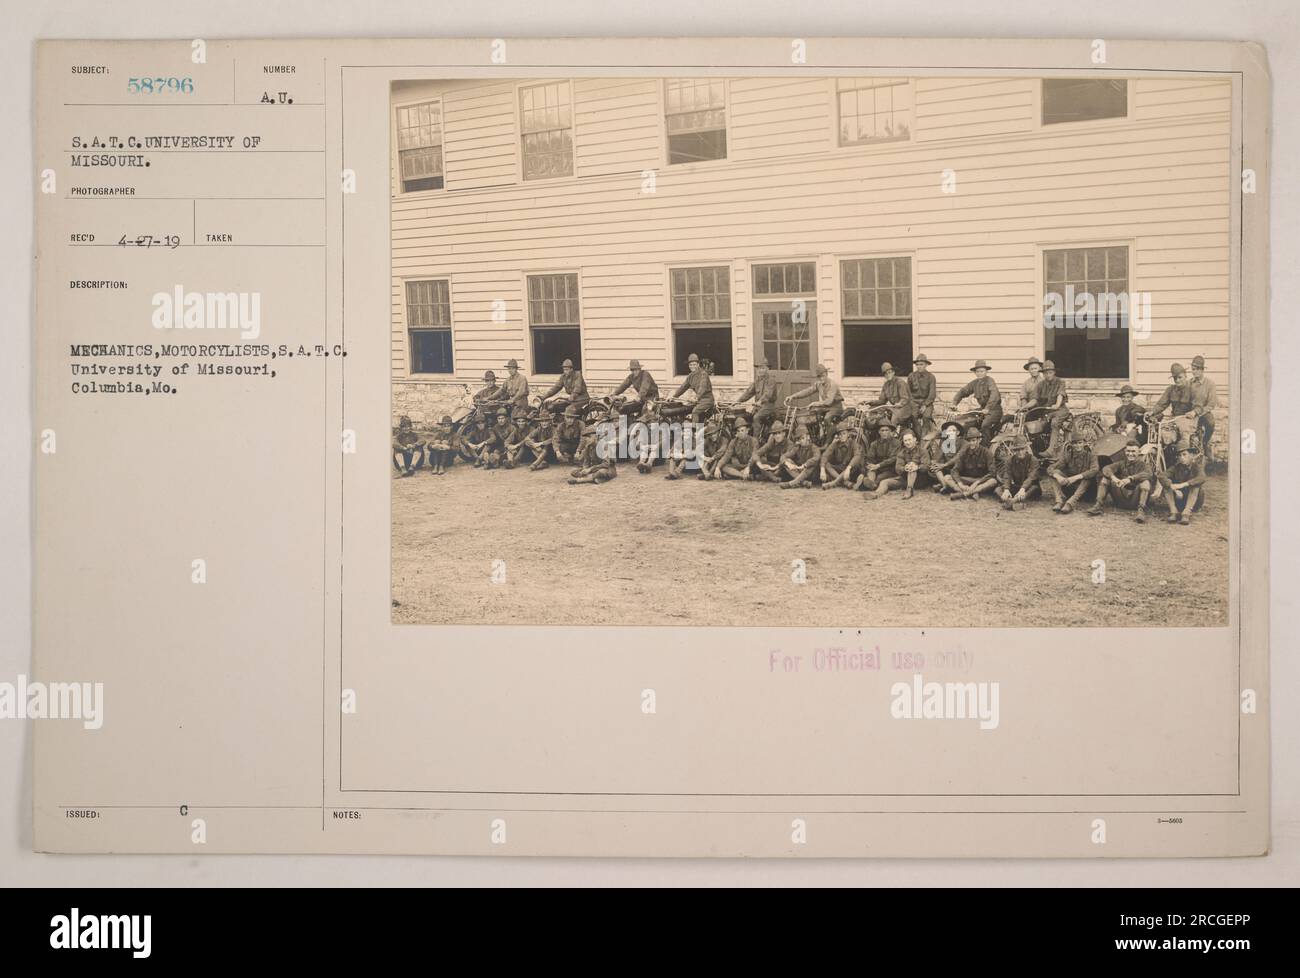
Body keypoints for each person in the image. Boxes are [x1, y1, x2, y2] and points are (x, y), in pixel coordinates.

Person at [1088, 439, 1155, 522]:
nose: (1130, 454)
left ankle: (1141, 511)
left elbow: (1148, 473)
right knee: (1105, 478)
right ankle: (1098, 505)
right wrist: (1114, 478)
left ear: (1139, 452)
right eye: (1128, 451)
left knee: (1146, 483)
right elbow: (1106, 468)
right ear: (1125, 451)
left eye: (1133, 451)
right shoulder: (1121, 463)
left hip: (1135, 500)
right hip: (1120, 499)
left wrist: (1130, 478)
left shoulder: (1144, 465)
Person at [949, 359, 1003, 446]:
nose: (980, 373)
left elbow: (994, 395)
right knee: (964, 419)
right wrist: (954, 403)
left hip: (994, 409)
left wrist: (987, 408)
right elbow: (963, 391)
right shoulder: (974, 383)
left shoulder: (990, 381)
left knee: (985, 425)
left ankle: (986, 448)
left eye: (982, 371)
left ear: (986, 371)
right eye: (977, 371)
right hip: (982, 409)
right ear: (975, 372)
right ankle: (967, 443)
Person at [1147, 363, 1199, 451]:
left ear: (1185, 376)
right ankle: (1166, 456)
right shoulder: (1170, 389)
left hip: (1189, 418)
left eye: (1180, 377)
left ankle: (1183, 458)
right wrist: (1152, 412)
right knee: (1163, 432)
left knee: (1184, 435)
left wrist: (1193, 412)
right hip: (1175, 418)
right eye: (1175, 378)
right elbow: (1161, 404)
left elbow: (1199, 404)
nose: (1177, 380)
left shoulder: (1193, 389)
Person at [1045, 429, 1099, 514]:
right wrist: (1058, 477)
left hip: (1087, 491)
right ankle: (1059, 500)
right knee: (1055, 473)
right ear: (1071, 444)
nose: (1077, 446)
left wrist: (1075, 477)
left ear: (1084, 443)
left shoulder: (1091, 455)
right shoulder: (1068, 455)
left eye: (1080, 443)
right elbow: (1050, 468)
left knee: (1088, 477)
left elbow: (1095, 470)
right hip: (1071, 488)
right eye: (1075, 443)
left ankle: (1070, 503)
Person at [1025, 359, 1070, 457]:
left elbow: (1060, 394)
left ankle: (1051, 451)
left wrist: (1057, 405)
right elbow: (1035, 399)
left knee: (1054, 423)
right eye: (1046, 373)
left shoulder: (1060, 382)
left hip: (1060, 410)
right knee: (1038, 426)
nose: (1048, 375)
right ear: (1043, 374)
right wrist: (1024, 406)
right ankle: (1039, 449)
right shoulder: (1040, 385)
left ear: (1054, 372)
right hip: (1048, 411)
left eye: (1050, 372)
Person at [867, 428, 928, 499]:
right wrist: (905, 468)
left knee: (912, 467)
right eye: (905, 441)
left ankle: (909, 490)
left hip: (919, 480)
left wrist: (917, 467)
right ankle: (876, 494)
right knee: (885, 482)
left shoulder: (923, 451)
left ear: (914, 439)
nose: (908, 443)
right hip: (904, 479)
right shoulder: (901, 453)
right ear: (903, 442)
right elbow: (898, 468)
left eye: (909, 440)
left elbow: (926, 466)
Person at [941, 426, 999, 500]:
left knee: (993, 481)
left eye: (974, 440)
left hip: (980, 481)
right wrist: (960, 484)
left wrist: (977, 483)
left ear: (979, 440)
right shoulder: (964, 452)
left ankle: (965, 493)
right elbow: (955, 470)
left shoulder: (987, 452)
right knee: (947, 477)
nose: (971, 443)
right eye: (969, 441)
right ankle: (971, 492)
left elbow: (992, 473)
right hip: (966, 480)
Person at [786, 363, 845, 433]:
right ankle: (817, 434)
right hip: (825, 407)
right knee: (812, 414)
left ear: (826, 374)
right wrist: (793, 396)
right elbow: (807, 391)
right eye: (819, 377)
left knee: (827, 418)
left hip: (836, 407)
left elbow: (828, 402)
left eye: (823, 376)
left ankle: (829, 440)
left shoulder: (833, 385)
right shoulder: (818, 384)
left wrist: (814, 403)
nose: (821, 378)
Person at [732, 357, 781, 440]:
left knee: (756, 417)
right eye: (758, 368)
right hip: (759, 407)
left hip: (769, 406)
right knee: (748, 416)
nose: (760, 370)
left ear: (767, 369)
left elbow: (768, 394)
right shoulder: (757, 380)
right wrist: (738, 401)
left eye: (762, 368)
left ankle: (755, 440)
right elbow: (749, 392)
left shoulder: (771, 380)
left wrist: (760, 401)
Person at [1159, 445, 1207, 524]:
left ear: (1191, 456)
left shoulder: (1197, 467)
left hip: (1194, 501)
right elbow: (1162, 476)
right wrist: (1173, 487)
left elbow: (1202, 477)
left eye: (1184, 454)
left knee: (1195, 486)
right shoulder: (1176, 467)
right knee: (1166, 485)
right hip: (1179, 499)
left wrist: (1184, 484)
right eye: (1179, 455)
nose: (1181, 457)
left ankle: (1186, 513)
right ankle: (1173, 512)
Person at [668, 352, 716, 423]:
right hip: (698, 401)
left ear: (698, 365)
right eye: (690, 365)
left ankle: (694, 431)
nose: (692, 366)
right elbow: (683, 387)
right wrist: (673, 397)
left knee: (695, 412)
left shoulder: (703, 374)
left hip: (707, 400)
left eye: (694, 364)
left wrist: (696, 397)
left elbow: (702, 387)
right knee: (684, 409)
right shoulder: (690, 376)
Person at [996, 436, 1041, 510]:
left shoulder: (1033, 460)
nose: (1020, 452)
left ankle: (1011, 502)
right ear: (1014, 451)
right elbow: (1007, 475)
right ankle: (1014, 502)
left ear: (1026, 449)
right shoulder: (1009, 460)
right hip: (1016, 486)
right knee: (997, 489)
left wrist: (1023, 489)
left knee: (1034, 488)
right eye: (1017, 450)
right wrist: (1006, 489)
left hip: (1029, 487)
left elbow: (1031, 477)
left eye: (1022, 449)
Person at [864, 362, 913, 428]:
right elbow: (882, 401)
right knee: (872, 410)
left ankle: (892, 435)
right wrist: (871, 402)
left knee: (894, 418)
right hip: (894, 407)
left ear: (893, 372)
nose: (888, 375)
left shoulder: (900, 382)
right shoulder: (886, 385)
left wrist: (899, 403)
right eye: (886, 373)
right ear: (884, 375)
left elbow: (905, 398)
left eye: (889, 372)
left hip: (905, 408)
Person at [1188, 354, 1218, 458]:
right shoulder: (1189, 383)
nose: (1193, 371)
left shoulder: (1210, 384)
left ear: (1202, 370)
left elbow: (1211, 404)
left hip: (1203, 413)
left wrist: (1199, 412)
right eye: (1192, 369)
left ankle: (1205, 442)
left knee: (1211, 423)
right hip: (1191, 413)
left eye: (1196, 369)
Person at [857, 420, 901, 492]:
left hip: (890, 469)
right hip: (876, 468)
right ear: (879, 432)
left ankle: (866, 485)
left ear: (890, 431)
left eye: (886, 430)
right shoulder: (874, 444)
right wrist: (870, 465)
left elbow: (894, 458)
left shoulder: (896, 443)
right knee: (871, 472)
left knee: (879, 477)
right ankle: (869, 483)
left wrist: (879, 465)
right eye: (882, 430)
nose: (884, 433)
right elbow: (870, 457)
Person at [820, 422, 862, 489]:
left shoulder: (853, 443)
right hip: (840, 469)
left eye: (844, 433)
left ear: (848, 434)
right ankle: (846, 483)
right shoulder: (835, 444)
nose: (841, 436)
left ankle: (832, 484)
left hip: (851, 470)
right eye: (839, 434)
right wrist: (822, 470)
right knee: (827, 464)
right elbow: (825, 455)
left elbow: (857, 456)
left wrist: (848, 468)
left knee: (855, 465)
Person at [907, 353, 937, 439]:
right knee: (912, 416)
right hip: (914, 402)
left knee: (926, 417)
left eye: (921, 364)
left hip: (926, 402)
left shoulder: (931, 377)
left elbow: (932, 394)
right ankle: (918, 437)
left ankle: (924, 439)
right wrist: (912, 403)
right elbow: (908, 392)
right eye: (917, 365)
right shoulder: (911, 376)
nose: (919, 366)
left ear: (926, 365)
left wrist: (925, 405)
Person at [926, 422, 962, 493]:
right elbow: (938, 456)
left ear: (958, 433)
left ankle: (942, 485)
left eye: (953, 431)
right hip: (947, 469)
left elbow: (958, 457)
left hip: (958, 468)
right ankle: (945, 485)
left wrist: (944, 465)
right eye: (949, 431)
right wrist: (935, 463)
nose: (951, 433)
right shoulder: (945, 442)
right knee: (935, 466)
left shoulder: (963, 443)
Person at [695, 414, 731, 480]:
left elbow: (722, 451)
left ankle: (709, 474)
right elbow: (698, 449)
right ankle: (706, 473)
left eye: (714, 433)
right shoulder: (708, 440)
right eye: (710, 434)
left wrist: (712, 458)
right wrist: (705, 458)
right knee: (701, 457)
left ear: (718, 433)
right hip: (710, 462)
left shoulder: (724, 440)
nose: (712, 436)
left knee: (718, 458)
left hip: (721, 462)